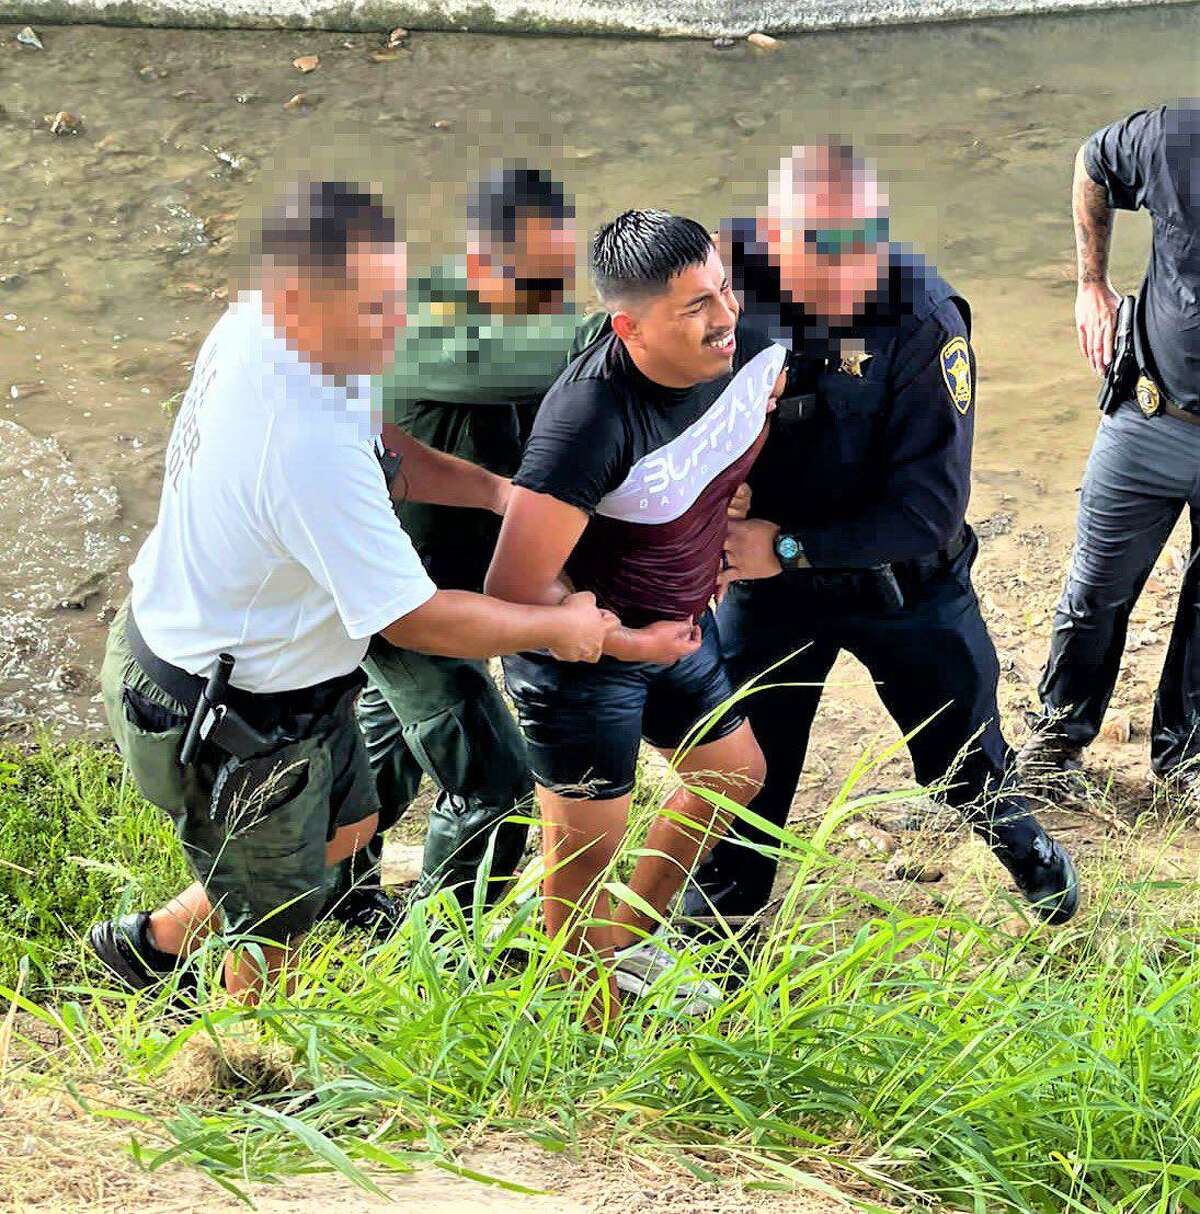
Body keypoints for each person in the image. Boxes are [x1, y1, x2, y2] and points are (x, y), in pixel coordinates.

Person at [88, 180, 618, 1001]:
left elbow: (382, 443)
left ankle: (151, 944)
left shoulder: (270, 330)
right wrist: (555, 629)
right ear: (294, 298)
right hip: (223, 710)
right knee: (276, 927)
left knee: (350, 828)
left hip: (280, 678)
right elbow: (415, 621)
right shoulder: (298, 443)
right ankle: (249, 1078)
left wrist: (493, 493)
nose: (398, 326)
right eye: (374, 308)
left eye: (396, 296)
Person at [684, 143, 1078, 927]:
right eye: (815, 255)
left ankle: (1043, 878)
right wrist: (714, 484)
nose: (842, 277)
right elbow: (662, 385)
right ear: (768, 235)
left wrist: (786, 545)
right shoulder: (725, 281)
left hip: (904, 587)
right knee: (744, 767)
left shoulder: (925, 319)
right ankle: (714, 947)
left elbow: (928, 512)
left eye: (859, 252)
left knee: (963, 762)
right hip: (773, 592)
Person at [485, 209, 787, 1012]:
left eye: (723, 290)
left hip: (678, 623)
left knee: (732, 776)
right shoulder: (588, 421)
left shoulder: (754, 338)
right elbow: (514, 589)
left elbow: (747, 416)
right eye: (696, 308)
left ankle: (623, 946)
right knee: (581, 863)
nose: (725, 319)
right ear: (629, 326)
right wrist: (627, 642)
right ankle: (587, 1052)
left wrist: (728, 508)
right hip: (583, 659)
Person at [330, 166, 587, 927]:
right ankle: (442, 949)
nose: (552, 294)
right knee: (499, 785)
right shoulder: (425, 325)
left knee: (390, 736)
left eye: (562, 274)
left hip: (459, 593)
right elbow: (584, 356)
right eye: (536, 275)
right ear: (480, 264)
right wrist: (670, 323)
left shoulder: (530, 317)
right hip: (408, 600)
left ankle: (344, 904)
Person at [1019, 102, 1200, 793]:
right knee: (1094, 593)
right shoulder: (1175, 140)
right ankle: (1057, 743)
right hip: (1150, 416)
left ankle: (1184, 761)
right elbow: (1093, 162)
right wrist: (1089, 283)